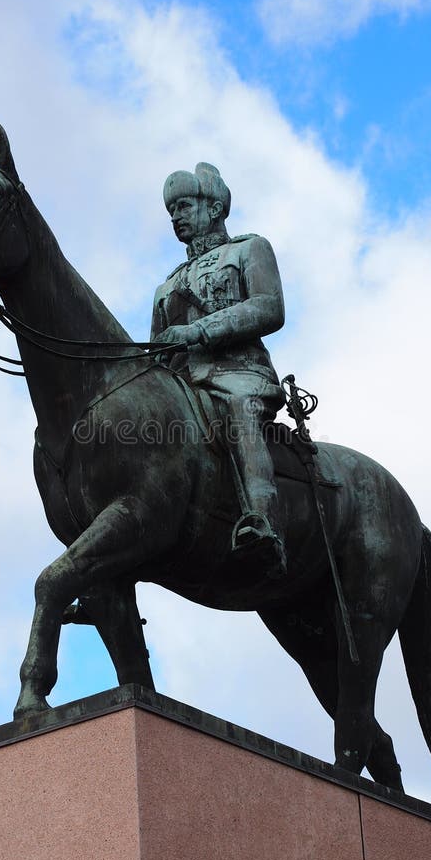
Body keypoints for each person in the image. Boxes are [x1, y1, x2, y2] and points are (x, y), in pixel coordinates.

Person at [151, 162, 287, 575]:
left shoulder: (249, 249)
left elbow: (269, 307)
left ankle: (263, 520)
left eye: (184, 206)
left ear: (213, 209)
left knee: (240, 413)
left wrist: (198, 330)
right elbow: (156, 350)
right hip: (185, 386)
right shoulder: (166, 286)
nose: (175, 216)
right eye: (171, 209)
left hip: (239, 375)